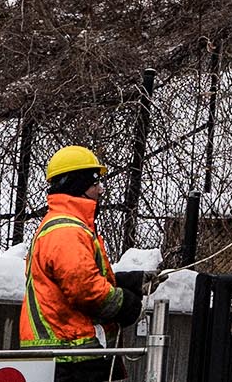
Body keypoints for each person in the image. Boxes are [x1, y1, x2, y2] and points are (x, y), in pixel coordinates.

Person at [21, 145, 150, 381]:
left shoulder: (66, 225)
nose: (100, 190)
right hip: (69, 357)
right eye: (94, 183)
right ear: (77, 186)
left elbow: (75, 278)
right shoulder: (67, 230)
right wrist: (124, 304)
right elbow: (84, 288)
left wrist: (123, 281)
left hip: (68, 354)